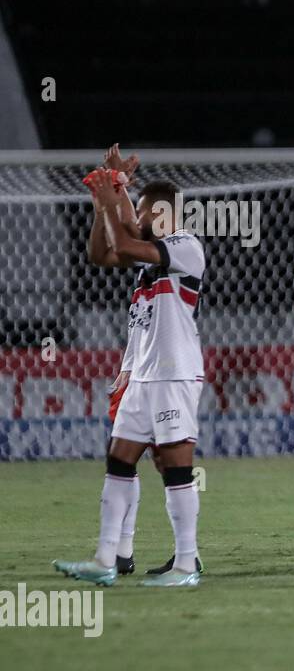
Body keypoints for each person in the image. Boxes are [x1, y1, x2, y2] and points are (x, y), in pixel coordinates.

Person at [56, 167, 206, 587]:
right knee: (119, 459)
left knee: (175, 465)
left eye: (141, 212)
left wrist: (111, 200)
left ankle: (185, 565)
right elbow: (102, 253)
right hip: (142, 376)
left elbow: (122, 238)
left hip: (173, 374)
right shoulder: (150, 253)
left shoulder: (185, 246)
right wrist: (108, 198)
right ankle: (106, 558)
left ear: (160, 213)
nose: (136, 218)